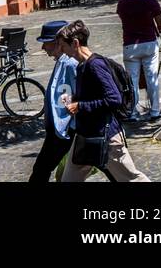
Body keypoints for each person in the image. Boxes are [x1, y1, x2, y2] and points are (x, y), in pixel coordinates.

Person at [60, 20, 149, 182]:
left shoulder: (96, 65)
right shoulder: (82, 66)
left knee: (132, 179)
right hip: (85, 135)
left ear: (75, 43)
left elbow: (114, 98)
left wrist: (80, 105)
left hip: (106, 136)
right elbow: (93, 95)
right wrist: (74, 101)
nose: (62, 51)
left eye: (63, 46)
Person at [28, 20, 77, 183]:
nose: (43, 48)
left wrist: (71, 125)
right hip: (57, 129)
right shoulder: (61, 62)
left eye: (46, 43)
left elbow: (79, 94)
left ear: (58, 42)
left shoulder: (70, 63)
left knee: (41, 170)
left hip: (65, 130)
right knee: (46, 170)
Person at [115, 0, 161, 121]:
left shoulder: (122, 4)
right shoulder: (151, 3)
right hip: (149, 42)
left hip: (130, 45)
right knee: (152, 78)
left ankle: (133, 112)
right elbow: (160, 24)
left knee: (132, 81)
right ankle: (155, 110)